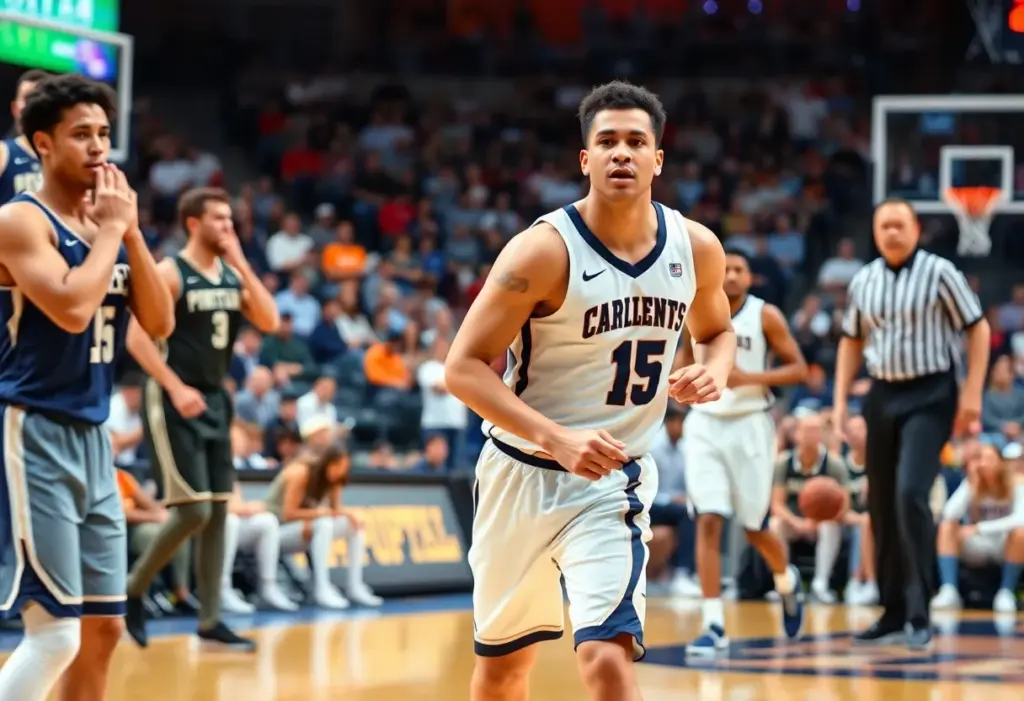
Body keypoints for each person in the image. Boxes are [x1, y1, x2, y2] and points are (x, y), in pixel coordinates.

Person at [444, 81, 736, 701]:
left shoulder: (697, 248)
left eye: (637, 142)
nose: (621, 153)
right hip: (518, 475)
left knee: (606, 660)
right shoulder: (543, 251)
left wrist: (715, 366)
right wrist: (557, 438)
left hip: (612, 480)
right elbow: (462, 368)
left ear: (659, 158)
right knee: (502, 673)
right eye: (607, 141)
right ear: (586, 159)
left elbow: (718, 332)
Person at [0, 74, 174, 701]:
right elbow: (72, 310)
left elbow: (158, 323)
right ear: (42, 144)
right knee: (55, 636)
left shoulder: (109, 223)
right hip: (32, 428)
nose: (98, 146)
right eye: (81, 134)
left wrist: (128, 232)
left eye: (103, 133)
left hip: (92, 436)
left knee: (103, 630)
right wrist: (110, 233)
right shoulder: (20, 221)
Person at [123, 187, 280, 650]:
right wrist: (175, 387)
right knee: (193, 509)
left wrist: (243, 262)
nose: (228, 227)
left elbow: (269, 322)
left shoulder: (233, 275)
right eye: (219, 220)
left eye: (231, 220)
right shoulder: (171, 273)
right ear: (193, 223)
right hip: (173, 396)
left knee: (216, 514)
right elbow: (135, 340)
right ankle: (132, 590)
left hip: (214, 399)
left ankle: (210, 620)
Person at [834, 197, 990, 649]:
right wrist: (841, 401)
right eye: (884, 226)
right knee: (880, 502)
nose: (892, 233)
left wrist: (974, 393)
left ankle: (921, 607)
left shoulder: (940, 272)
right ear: (876, 231)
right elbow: (851, 340)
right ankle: (892, 610)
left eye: (900, 225)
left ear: (916, 229)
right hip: (882, 394)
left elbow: (977, 328)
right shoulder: (864, 279)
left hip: (932, 393)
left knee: (910, 494)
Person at [680, 247, 808, 656]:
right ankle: (713, 623)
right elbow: (680, 363)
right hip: (704, 425)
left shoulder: (765, 315)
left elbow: (799, 369)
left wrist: (747, 377)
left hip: (751, 423)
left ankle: (787, 579)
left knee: (755, 527)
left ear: (750, 278)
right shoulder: (692, 308)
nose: (732, 275)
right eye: (727, 268)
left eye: (740, 269)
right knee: (709, 521)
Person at [265, 443, 382, 609]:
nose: (341, 471)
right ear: (327, 463)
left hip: (304, 528)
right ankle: (321, 587)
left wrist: (349, 514)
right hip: (273, 531)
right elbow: (288, 514)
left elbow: (334, 510)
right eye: (338, 466)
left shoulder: (334, 479)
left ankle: (355, 586)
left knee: (353, 523)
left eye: (345, 467)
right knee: (324, 524)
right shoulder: (301, 473)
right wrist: (321, 514)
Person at [933, 442, 1024, 613]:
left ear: (1001, 462)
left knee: (1021, 533)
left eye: (989, 458)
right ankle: (949, 590)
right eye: (980, 458)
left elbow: (1021, 519)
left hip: (1004, 545)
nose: (983, 463)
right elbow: (949, 513)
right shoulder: (972, 482)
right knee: (946, 527)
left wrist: (980, 528)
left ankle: (1006, 592)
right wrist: (970, 484)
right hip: (978, 545)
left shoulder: (1017, 483)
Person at [220, 483, 297, 614]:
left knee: (268, 520)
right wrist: (246, 508)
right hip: (203, 527)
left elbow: (235, 501)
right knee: (229, 521)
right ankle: (222, 589)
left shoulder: (226, 469)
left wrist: (243, 508)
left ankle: (268, 587)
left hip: (231, 528)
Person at [0, 69, 48, 203]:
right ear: (15, 108)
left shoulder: (63, 159)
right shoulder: (4, 152)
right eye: (27, 98)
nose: (32, 106)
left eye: (38, 99)